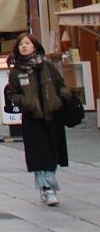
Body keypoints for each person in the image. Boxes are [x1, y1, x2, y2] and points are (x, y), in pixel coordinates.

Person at [5, 32, 74, 206]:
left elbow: (62, 85)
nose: (24, 46)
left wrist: (61, 99)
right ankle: (49, 189)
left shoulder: (48, 66)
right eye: (21, 44)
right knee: (39, 154)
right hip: (32, 117)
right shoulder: (16, 72)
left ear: (35, 46)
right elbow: (12, 93)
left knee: (52, 153)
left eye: (27, 43)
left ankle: (45, 187)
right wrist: (25, 102)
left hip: (52, 115)